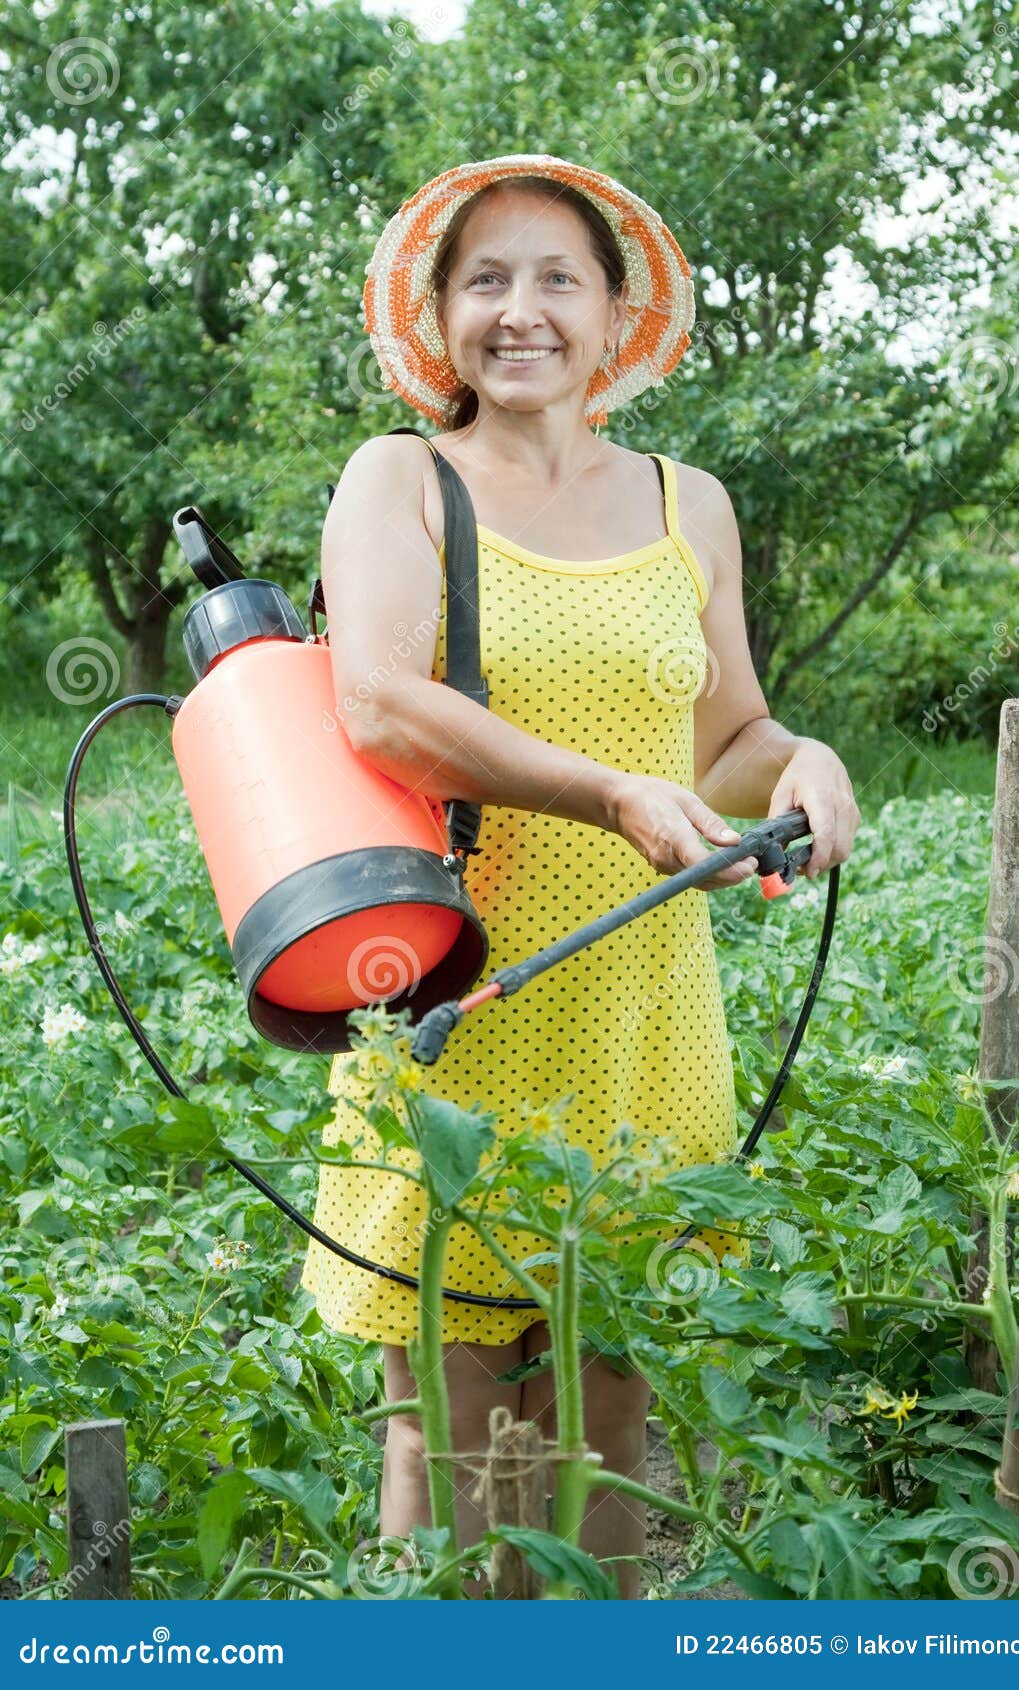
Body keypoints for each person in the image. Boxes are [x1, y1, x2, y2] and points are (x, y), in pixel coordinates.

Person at [300, 154, 861, 1598]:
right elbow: (379, 702)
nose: (521, 310)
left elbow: (725, 733)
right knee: (454, 1428)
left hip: (646, 1018)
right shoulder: (400, 479)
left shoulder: (693, 504)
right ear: (441, 317)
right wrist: (611, 791)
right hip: (465, 1004)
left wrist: (800, 762)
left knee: (608, 1428)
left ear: (618, 320)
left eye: (559, 279)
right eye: (485, 279)